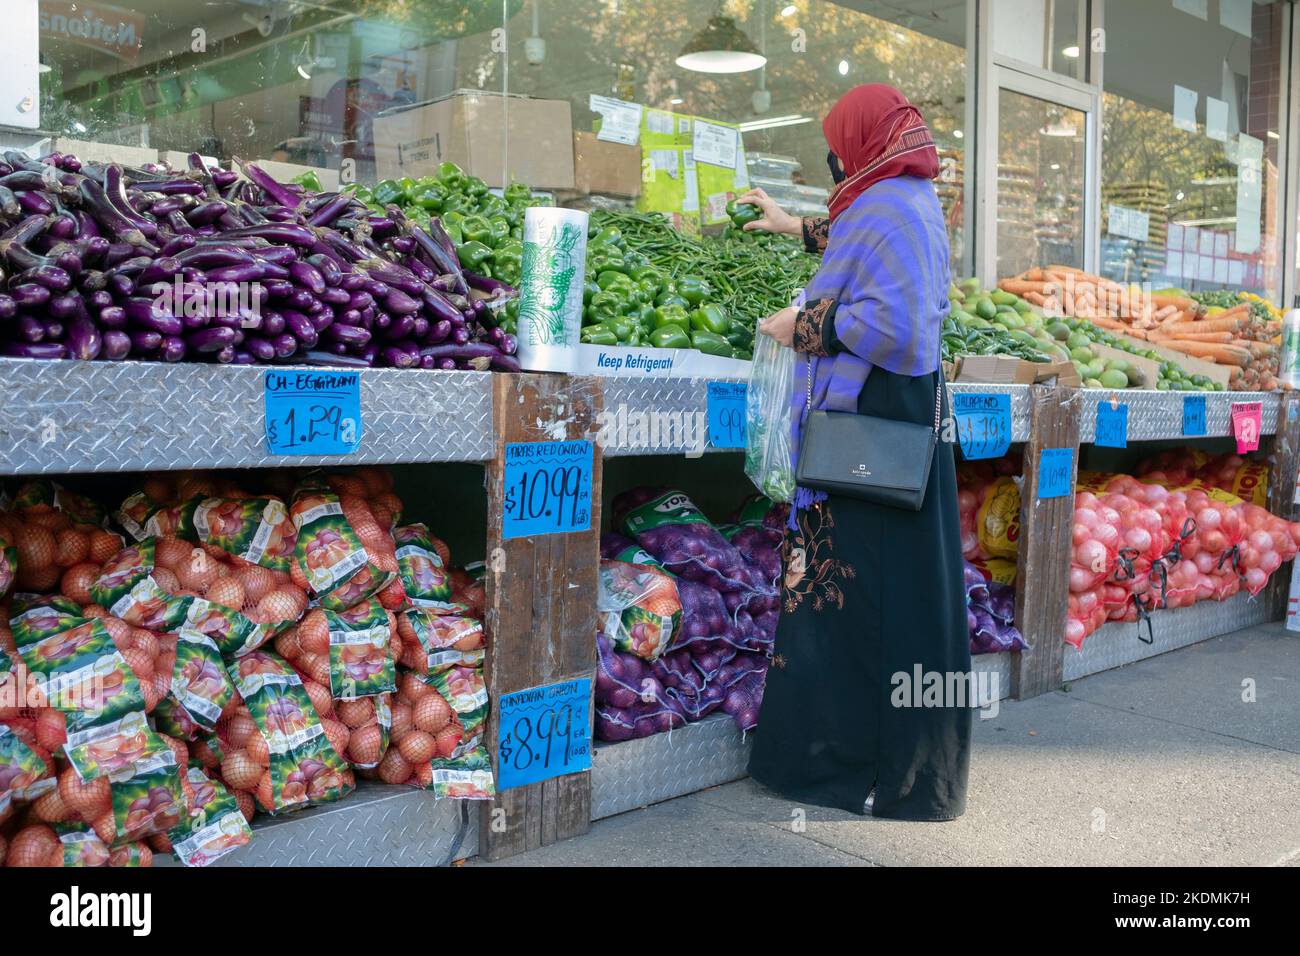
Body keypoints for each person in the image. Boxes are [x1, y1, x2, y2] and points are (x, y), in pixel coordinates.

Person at [741, 84, 970, 821]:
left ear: (862, 141)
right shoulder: (905, 195)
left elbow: (896, 329)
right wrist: (789, 227)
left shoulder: (889, 206)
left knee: (864, 594)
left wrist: (802, 325)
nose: (834, 159)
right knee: (887, 590)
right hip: (901, 419)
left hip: (876, 420)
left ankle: (858, 773)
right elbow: (856, 235)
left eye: (837, 143)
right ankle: (886, 766)